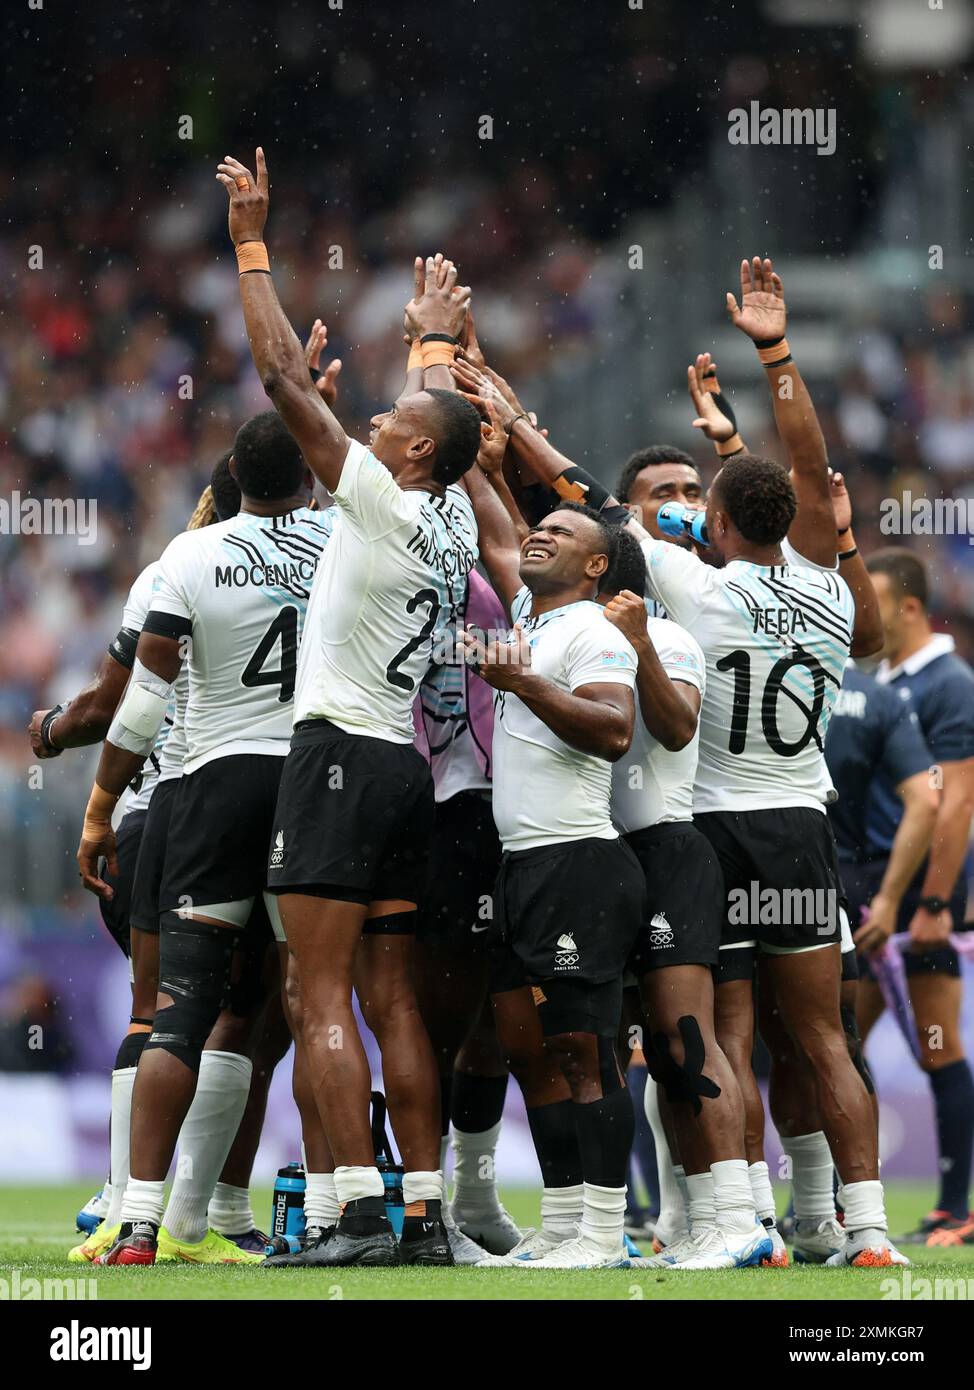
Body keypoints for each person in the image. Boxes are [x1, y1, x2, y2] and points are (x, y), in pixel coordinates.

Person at [218, 150, 482, 1267]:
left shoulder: (377, 499)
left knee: (309, 983)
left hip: (332, 754)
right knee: (393, 1001)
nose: (371, 418)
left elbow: (279, 378)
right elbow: (449, 430)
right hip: (404, 770)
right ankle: (420, 1210)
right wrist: (434, 341)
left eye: (394, 413)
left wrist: (249, 240)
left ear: (412, 452)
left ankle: (354, 1213)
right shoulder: (457, 523)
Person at [76, 408, 332, 1266]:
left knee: (179, 1009)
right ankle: (234, 1214)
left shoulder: (187, 555)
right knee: (286, 1005)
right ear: (310, 479)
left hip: (213, 785)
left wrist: (100, 806)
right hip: (312, 783)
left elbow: (143, 702)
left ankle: (136, 1220)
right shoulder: (346, 539)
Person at [860, 548, 974, 1247]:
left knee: (937, 1045)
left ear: (907, 608)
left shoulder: (948, 683)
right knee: (839, 1042)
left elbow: (957, 800)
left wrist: (934, 904)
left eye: (873, 604)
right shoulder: (883, 679)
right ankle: (846, 1201)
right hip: (873, 887)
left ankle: (956, 1208)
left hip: (925, 897)